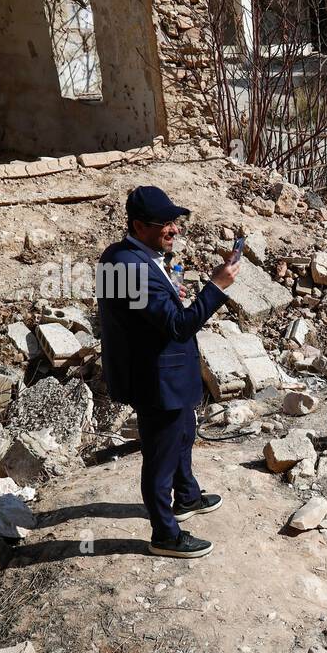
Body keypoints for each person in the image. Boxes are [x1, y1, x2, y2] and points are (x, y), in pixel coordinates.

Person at [96, 186, 240, 558]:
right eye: (165, 224)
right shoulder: (127, 268)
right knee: (160, 456)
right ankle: (165, 533)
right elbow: (177, 325)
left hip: (166, 373)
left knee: (183, 433)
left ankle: (187, 496)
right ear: (139, 225)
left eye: (176, 221)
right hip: (154, 379)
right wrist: (216, 288)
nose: (174, 229)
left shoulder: (129, 256)